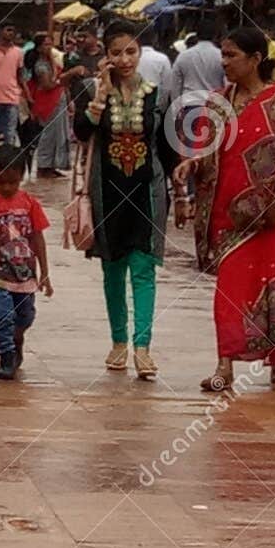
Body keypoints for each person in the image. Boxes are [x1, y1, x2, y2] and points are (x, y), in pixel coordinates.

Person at [174, 27, 275, 393]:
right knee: (229, 286)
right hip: (226, 210)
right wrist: (190, 163)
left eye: (232, 55)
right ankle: (225, 363)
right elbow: (207, 148)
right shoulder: (218, 101)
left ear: (255, 60)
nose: (224, 62)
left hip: (271, 211)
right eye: (223, 54)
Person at [73, 19, 175, 380]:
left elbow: (166, 147)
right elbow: (81, 132)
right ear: (105, 55)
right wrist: (99, 97)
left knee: (144, 268)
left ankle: (143, 347)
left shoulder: (159, 95)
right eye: (116, 52)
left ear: (141, 51)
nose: (125, 59)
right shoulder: (89, 89)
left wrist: (177, 190)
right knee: (112, 268)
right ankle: (118, 341)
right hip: (107, 190)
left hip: (147, 192)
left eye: (130, 51)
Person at [0, 143, 52, 380]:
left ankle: (17, 339)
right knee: (3, 315)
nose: (6, 187)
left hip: (25, 273)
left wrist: (44, 272)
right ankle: (5, 354)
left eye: (12, 182)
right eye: (1, 182)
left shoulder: (30, 204)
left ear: (21, 178)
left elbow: (38, 238)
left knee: (26, 315)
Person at [23, 42, 70, 177]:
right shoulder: (41, 66)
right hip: (48, 103)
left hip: (58, 101)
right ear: (39, 48)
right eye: (45, 45)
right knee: (49, 134)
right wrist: (64, 78)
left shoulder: (52, 63)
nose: (49, 47)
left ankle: (52, 165)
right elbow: (48, 85)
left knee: (58, 133)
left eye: (50, 44)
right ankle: (44, 166)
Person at [169, 13, 224, 102]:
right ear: (215, 35)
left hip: (190, 104)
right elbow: (228, 83)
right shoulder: (221, 56)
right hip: (214, 105)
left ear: (197, 35)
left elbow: (175, 85)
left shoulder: (183, 56)